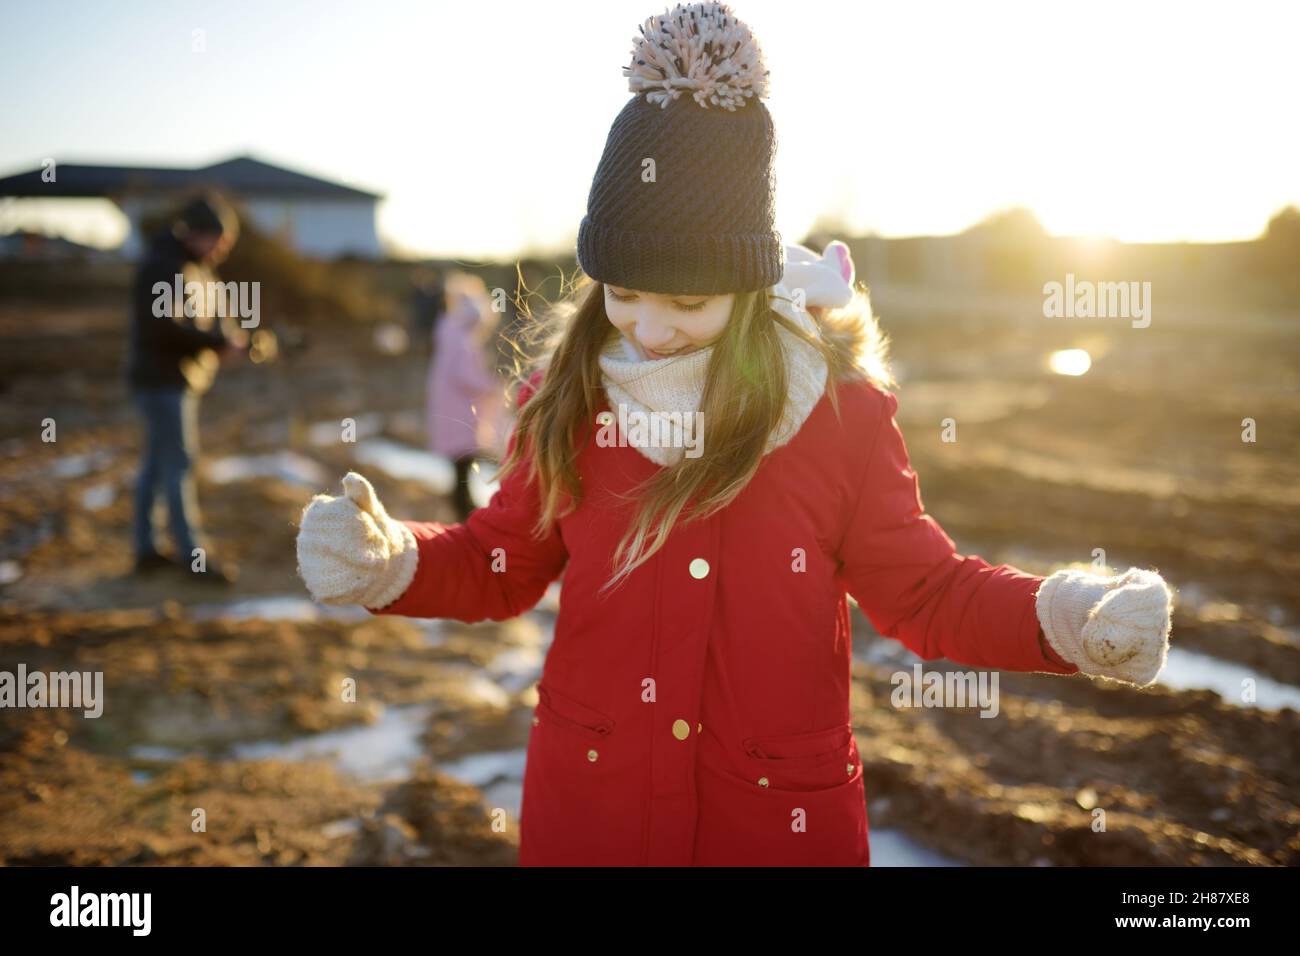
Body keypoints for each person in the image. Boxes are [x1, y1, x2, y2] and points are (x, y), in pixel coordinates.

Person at [294, 2, 1174, 866]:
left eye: (688, 302)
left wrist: (1061, 615)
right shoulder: (563, 401)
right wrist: (392, 562)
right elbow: (503, 560)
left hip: (774, 822)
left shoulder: (838, 415)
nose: (647, 327)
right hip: (593, 809)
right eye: (624, 292)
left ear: (752, 286)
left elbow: (927, 592)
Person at [127, 191, 246, 584]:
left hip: (170, 379)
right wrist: (215, 344)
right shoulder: (166, 267)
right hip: (162, 381)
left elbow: (208, 320)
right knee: (177, 465)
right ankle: (192, 559)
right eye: (220, 240)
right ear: (200, 233)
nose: (223, 249)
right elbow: (162, 327)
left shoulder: (194, 267)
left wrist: (230, 339)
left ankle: (145, 550)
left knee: (157, 465)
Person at [424, 272, 504, 522]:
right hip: (459, 409)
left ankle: (464, 512)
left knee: (459, 467)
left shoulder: (449, 330)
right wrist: (491, 386)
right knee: (463, 466)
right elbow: (465, 374)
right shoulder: (462, 337)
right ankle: (466, 515)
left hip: (449, 405)